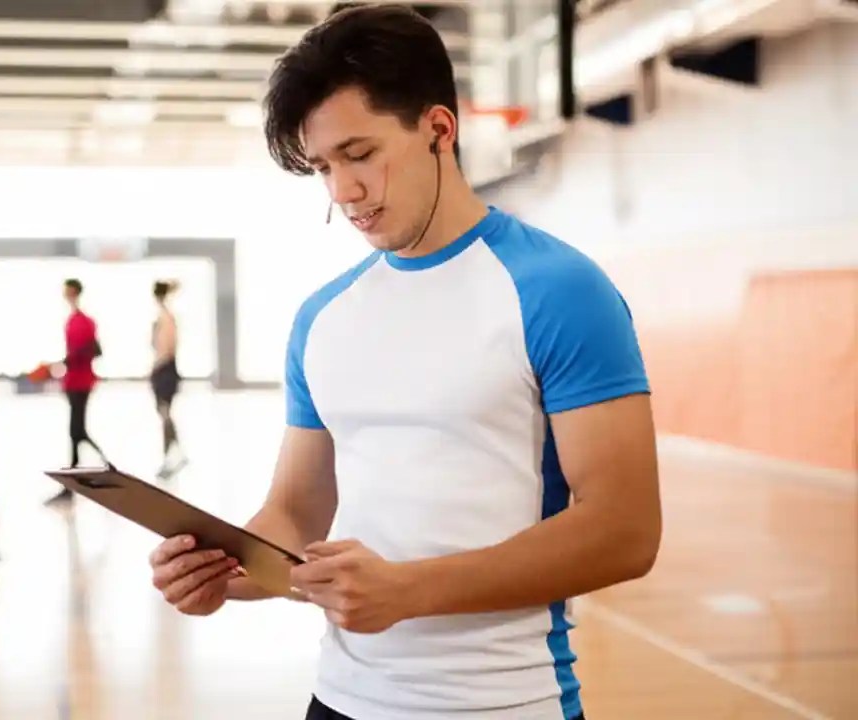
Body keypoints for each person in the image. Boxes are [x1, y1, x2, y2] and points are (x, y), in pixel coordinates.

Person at [146, 6, 661, 720]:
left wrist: (409, 589)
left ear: (438, 130)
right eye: (323, 167)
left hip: (505, 705)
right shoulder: (322, 318)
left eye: (359, 154)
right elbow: (296, 514)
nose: (341, 191)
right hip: (340, 701)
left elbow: (625, 531)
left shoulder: (559, 291)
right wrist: (224, 573)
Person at [47, 278, 107, 504]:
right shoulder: (74, 321)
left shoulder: (83, 322)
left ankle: (79, 480)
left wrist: (65, 362)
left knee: (77, 431)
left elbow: (85, 351)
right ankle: (84, 475)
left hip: (81, 380)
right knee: (77, 431)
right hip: (74, 380)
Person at [150, 280, 187, 479]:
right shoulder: (166, 317)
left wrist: (156, 369)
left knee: (164, 414)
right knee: (165, 414)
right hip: (165, 369)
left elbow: (166, 348)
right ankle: (177, 452)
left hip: (165, 370)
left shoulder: (166, 318)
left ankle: (168, 456)